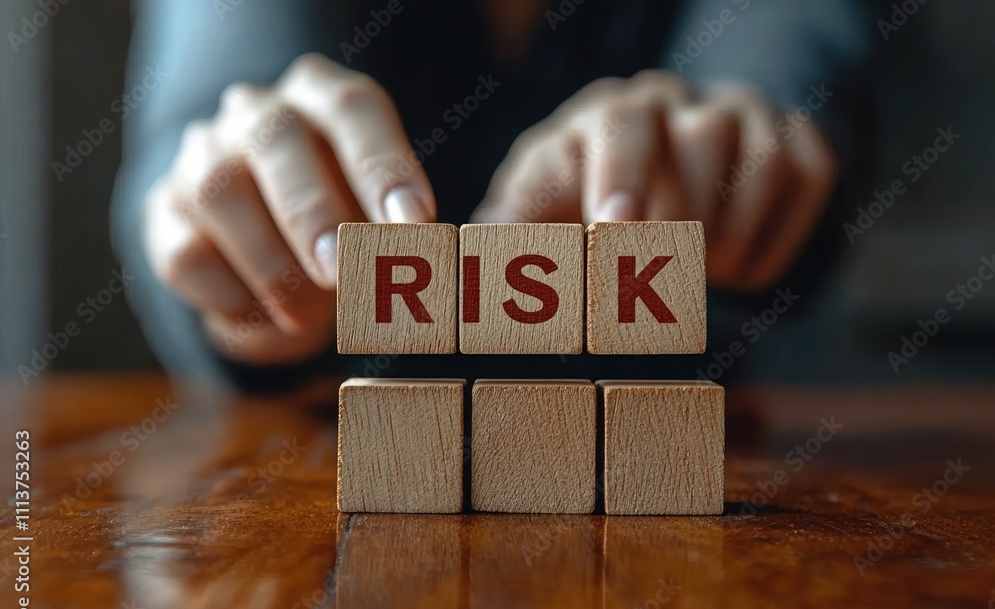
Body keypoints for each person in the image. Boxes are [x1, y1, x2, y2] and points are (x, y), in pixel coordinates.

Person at [113, 0, 874, 389]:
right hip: (328, 444)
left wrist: (744, 147)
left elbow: (783, 75)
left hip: (697, 458)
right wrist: (222, 253)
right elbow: (193, 131)